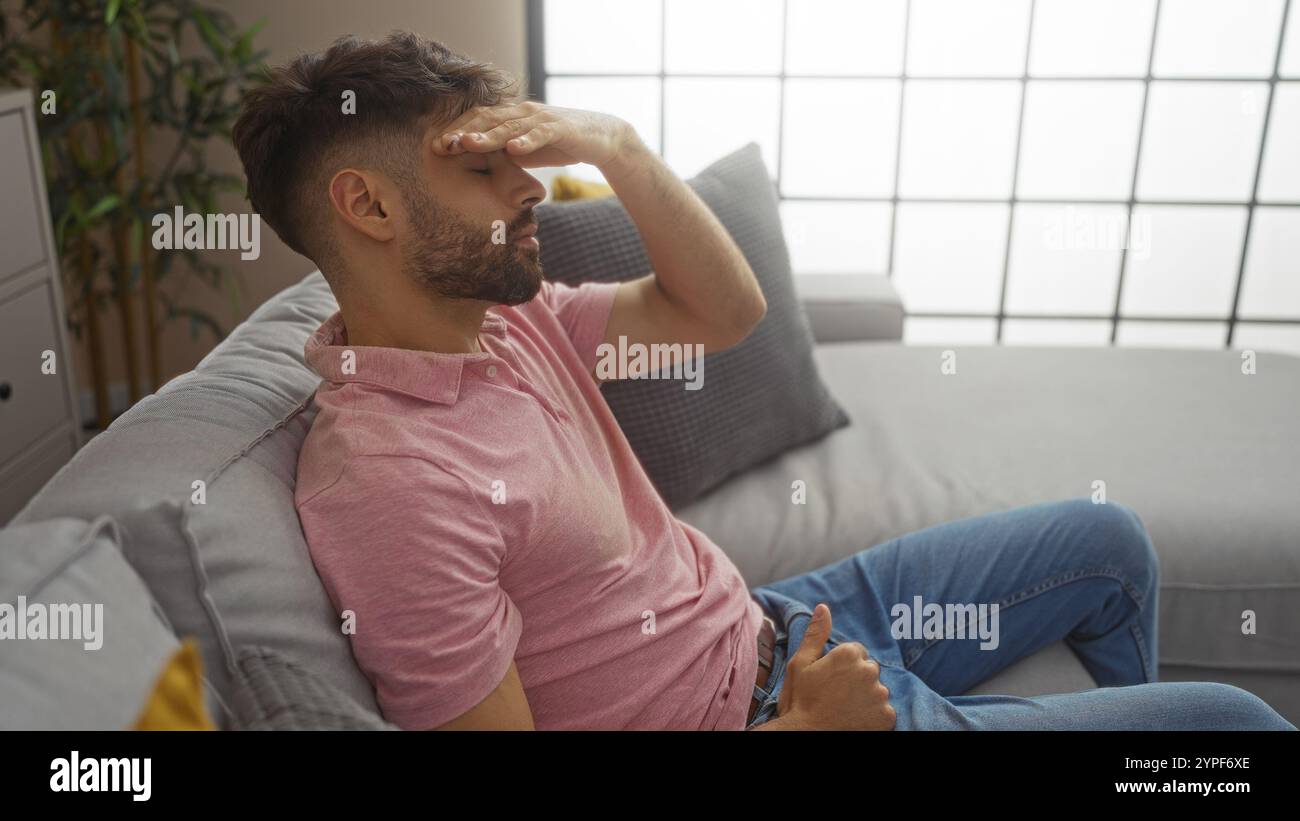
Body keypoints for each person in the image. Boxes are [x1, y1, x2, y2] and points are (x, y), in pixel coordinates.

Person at [232, 32, 1294, 731]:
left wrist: (624, 153)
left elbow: (720, 314)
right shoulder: (389, 483)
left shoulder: (507, 325)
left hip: (774, 618)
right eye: (481, 167)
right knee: (1233, 729)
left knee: (1108, 544)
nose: (527, 186)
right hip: (761, 712)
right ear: (368, 207)